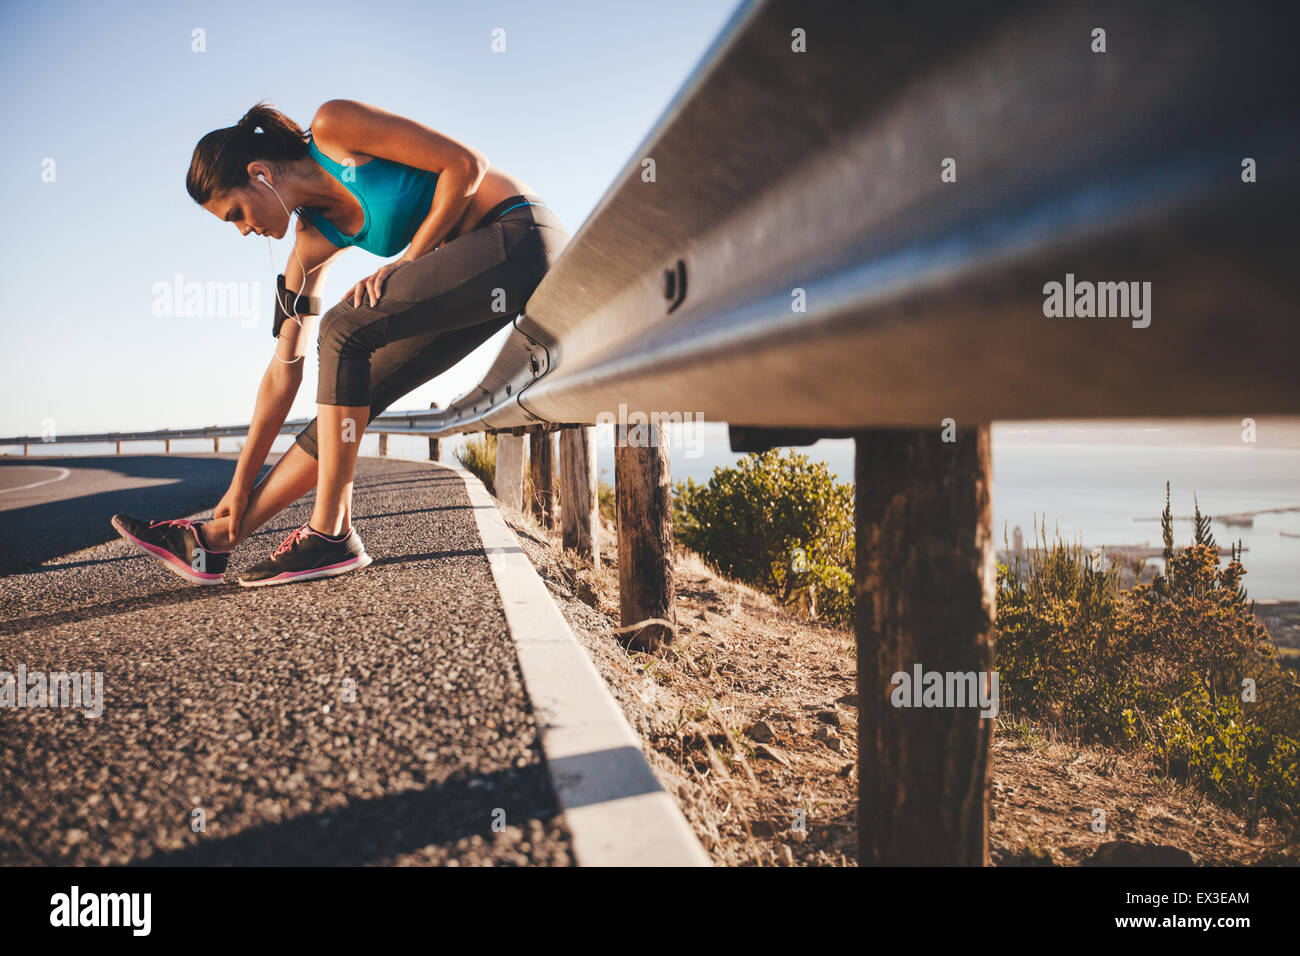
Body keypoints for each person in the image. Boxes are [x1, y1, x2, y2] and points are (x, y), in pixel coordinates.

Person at [110, 99, 569, 587]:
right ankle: (215, 540)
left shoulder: (334, 128)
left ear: (260, 173)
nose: (244, 229)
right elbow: (283, 370)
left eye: (236, 214)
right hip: (477, 277)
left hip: (519, 234)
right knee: (348, 396)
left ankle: (331, 532)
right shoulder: (310, 241)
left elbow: (466, 165)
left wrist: (408, 260)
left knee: (341, 327)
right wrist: (239, 483)